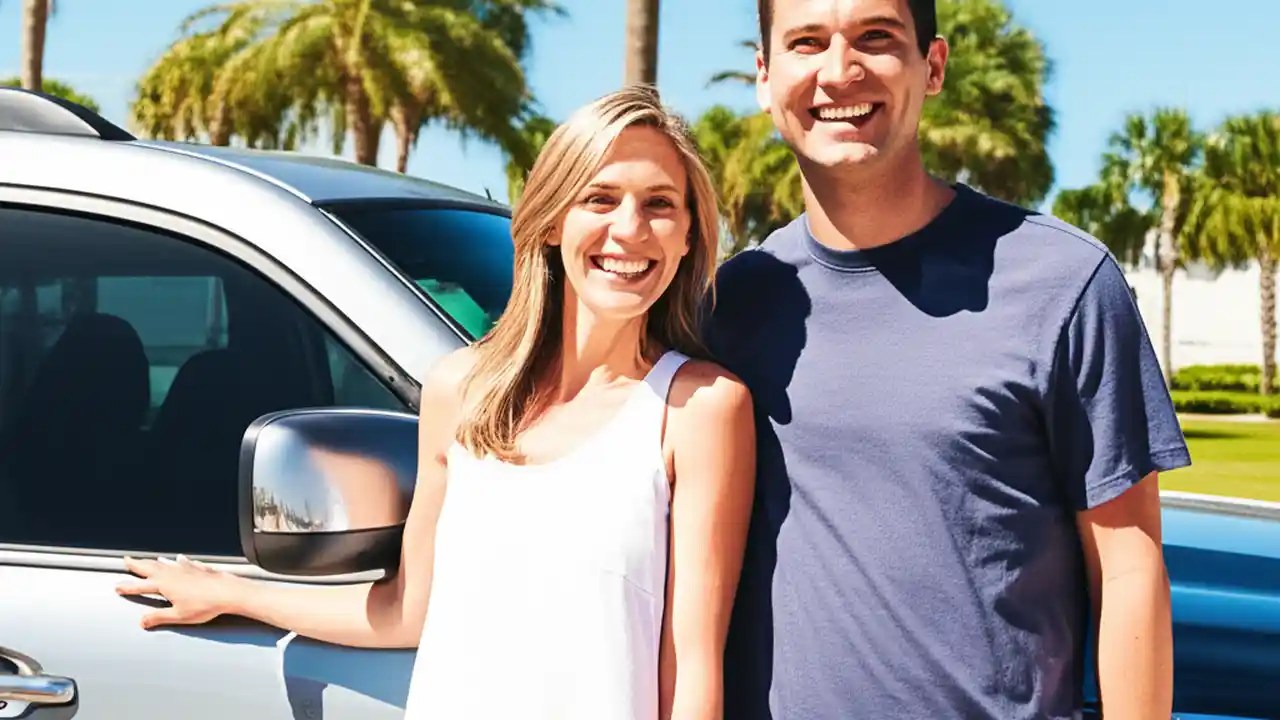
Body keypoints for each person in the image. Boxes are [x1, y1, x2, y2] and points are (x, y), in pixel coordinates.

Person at [116, 86, 756, 720]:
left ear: (687, 236)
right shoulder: (461, 390)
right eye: (601, 198)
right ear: (554, 220)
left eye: (659, 205)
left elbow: (694, 675)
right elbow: (408, 609)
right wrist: (232, 592)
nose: (630, 229)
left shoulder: (698, 410)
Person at [706, 1, 1190, 719]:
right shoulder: (728, 307)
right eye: (807, 43)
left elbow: (1128, 568)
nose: (840, 72)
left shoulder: (1063, 281)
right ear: (765, 74)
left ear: (931, 66)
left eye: (877, 38)